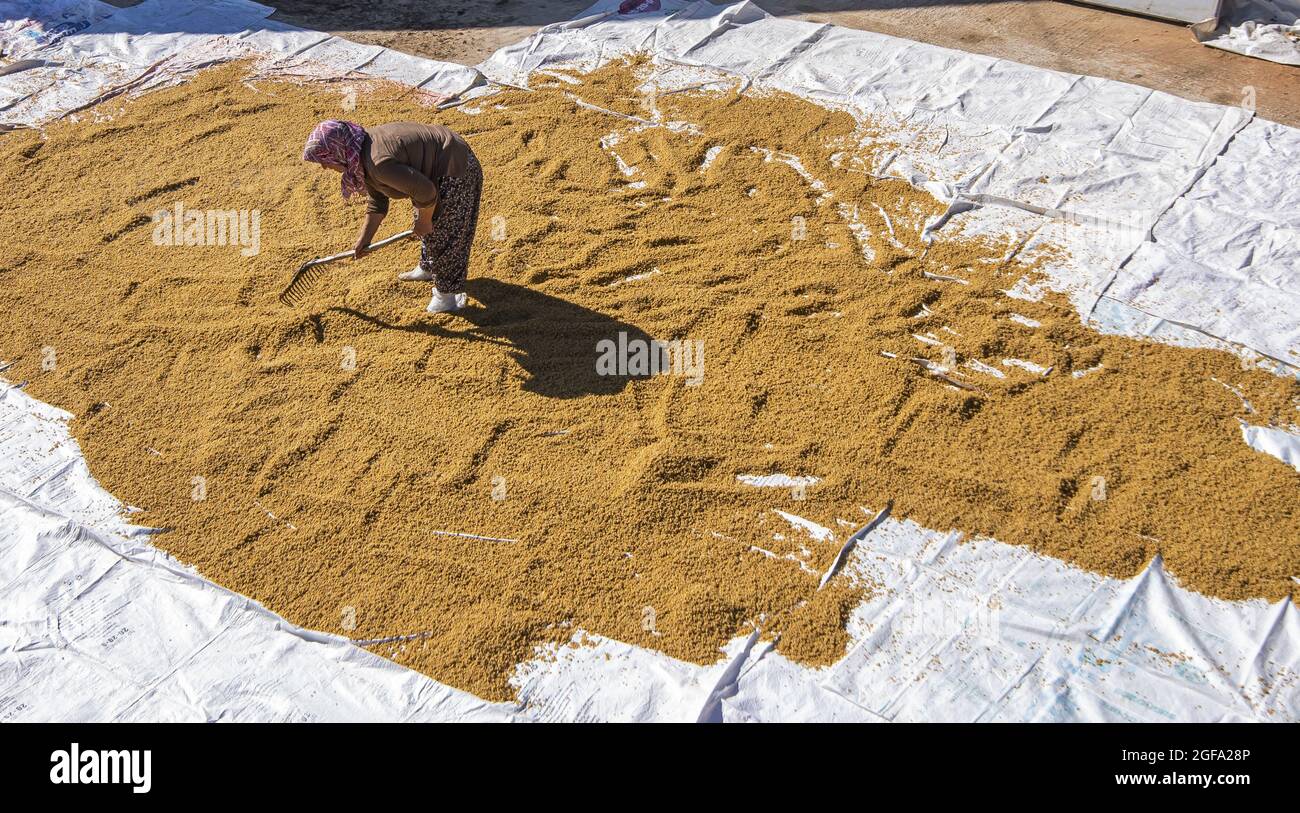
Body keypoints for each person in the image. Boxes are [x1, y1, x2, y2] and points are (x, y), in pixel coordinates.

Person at [301, 119, 482, 313]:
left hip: (456, 164)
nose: (325, 167)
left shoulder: (378, 162)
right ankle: (428, 267)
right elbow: (377, 200)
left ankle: (446, 296)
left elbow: (427, 192)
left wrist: (424, 221)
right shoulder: (360, 151)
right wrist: (365, 239)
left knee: (445, 230)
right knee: (429, 220)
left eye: (325, 160)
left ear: (338, 151)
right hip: (436, 165)